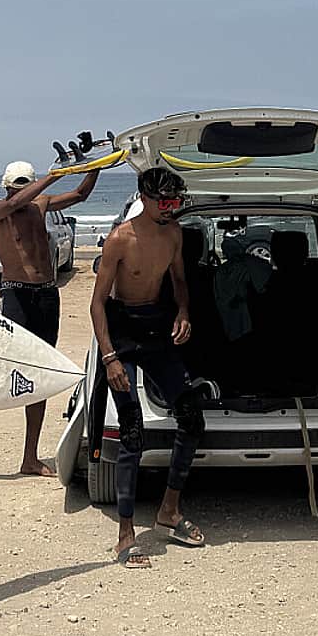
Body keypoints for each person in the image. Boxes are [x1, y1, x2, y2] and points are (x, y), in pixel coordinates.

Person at [0, 162, 100, 485]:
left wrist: (95, 166)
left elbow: (81, 194)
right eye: (16, 186)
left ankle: (29, 457)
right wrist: (54, 176)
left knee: (40, 373)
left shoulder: (40, 204)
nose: (20, 191)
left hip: (46, 295)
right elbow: (16, 203)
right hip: (15, 296)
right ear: (6, 186)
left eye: (24, 185)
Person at [90, 167, 206, 568]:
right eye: (164, 202)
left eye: (176, 202)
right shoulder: (121, 238)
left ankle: (168, 511)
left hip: (156, 327)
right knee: (132, 432)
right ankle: (125, 534)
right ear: (144, 196)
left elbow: (179, 280)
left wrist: (184, 312)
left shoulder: (174, 233)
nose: (171, 209)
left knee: (192, 417)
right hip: (121, 331)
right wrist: (109, 358)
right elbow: (96, 304)